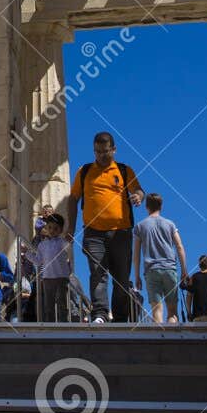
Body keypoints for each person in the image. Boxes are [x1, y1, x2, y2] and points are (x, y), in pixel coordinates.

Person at [65, 131, 144, 323]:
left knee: (121, 278)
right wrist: (71, 229)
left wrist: (138, 197)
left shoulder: (125, 171)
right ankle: (99, 313)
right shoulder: (85, 171)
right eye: (97, 151)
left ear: (114, 150)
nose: (101, 155)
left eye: (105, 151)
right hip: (93, 233)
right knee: (98, 273)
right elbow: (73, 198)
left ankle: (119, 317)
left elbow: (139, 190)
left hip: (121, 232)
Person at [132, 192, 188, 326]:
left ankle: (160, 341)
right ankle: (173, 341)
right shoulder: (170, 224)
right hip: (170, 269)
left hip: (151, 271)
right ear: (161, 206)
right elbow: (180, 247)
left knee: (156, 310)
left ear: (147, 207)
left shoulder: (140, 226)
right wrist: (184, 271)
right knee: (172, 312)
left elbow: (136, 254)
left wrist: (137, 276)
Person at [32, 208, 73, 324]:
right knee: (48, 305)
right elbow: (38, 261)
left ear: (60, 230)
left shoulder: (63, 242)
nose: (52, 230)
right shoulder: (42, 245)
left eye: (56, 228)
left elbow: (70, 258)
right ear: (46, 228)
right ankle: (49, 325)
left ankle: (64, 324)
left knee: (62, 304)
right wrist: (27, 254)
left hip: (61, 277)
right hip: (47, 278)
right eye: (49, 227)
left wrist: (70, 271)